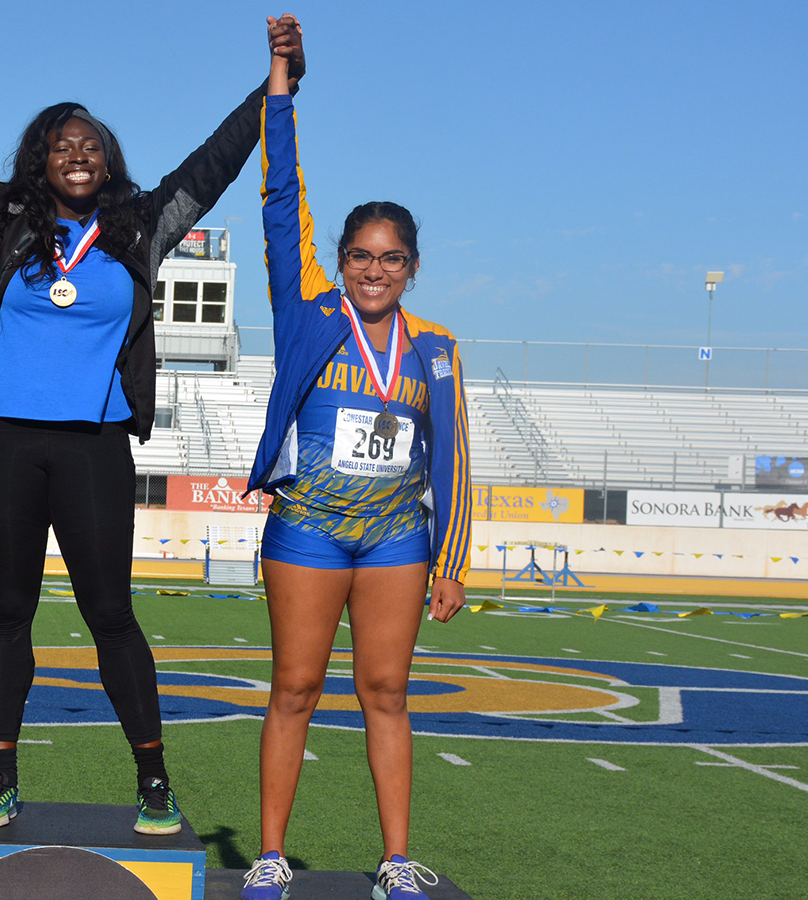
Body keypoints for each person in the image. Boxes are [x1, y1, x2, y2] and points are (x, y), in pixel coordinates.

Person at [0, 7, 302, 836]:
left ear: (109, 161)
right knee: (9, 610)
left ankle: (154, 778)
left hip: (94, 445)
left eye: (93, 146)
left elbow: (217, 161)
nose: (79, 155)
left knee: (112, 613)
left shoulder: (140, 227)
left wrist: (278, 80)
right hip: (3, 441)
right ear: (40, 157)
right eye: (62, 145)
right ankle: (1, 773)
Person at [237, 21, 470, 900]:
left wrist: (451, 563)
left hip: (397, 541)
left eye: (392, 259)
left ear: (412, 267)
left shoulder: (437, 348)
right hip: (308, 529)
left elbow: (452, 466)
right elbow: (279, 196)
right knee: (293, 688)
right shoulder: (308, 312)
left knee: (387, 693)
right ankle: (269, 853)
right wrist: (282, 84)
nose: (375, 271)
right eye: (361, 257)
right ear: (338, 262)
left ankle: (397, 859)